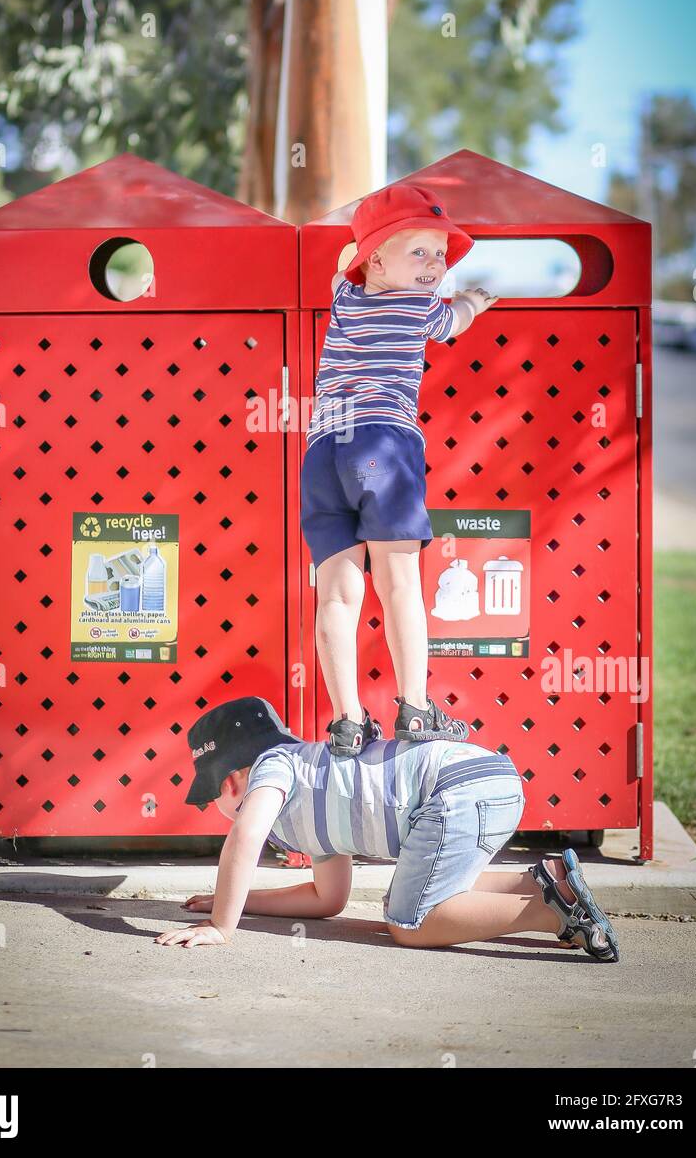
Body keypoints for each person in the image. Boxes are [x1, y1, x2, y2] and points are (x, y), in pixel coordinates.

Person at [154, 697, 619, 963]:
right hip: (485, 779)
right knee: (420, 891)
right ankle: (544, 882)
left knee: (409, 923)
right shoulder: (315, 795)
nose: (219, 807)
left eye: (210, 796)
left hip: (454, 790)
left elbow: (245, 836)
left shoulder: (275, 767)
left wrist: (222, 925)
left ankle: (550, 913)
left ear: (230, 782)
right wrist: (237, 899)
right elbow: (326, 899)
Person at [301, 180, 498, 754]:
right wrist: (475, 300)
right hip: (383, 443)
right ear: (378, 260)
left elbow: (342, 268)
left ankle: (347, 721)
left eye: (440, 254)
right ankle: (414, 707)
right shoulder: (419, 307)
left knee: (337, 596)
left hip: (323, 452)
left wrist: (363, 247)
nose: (435, 265)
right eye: (421, 252)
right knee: (399, 583)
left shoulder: (345, 296)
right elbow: (453, 322)